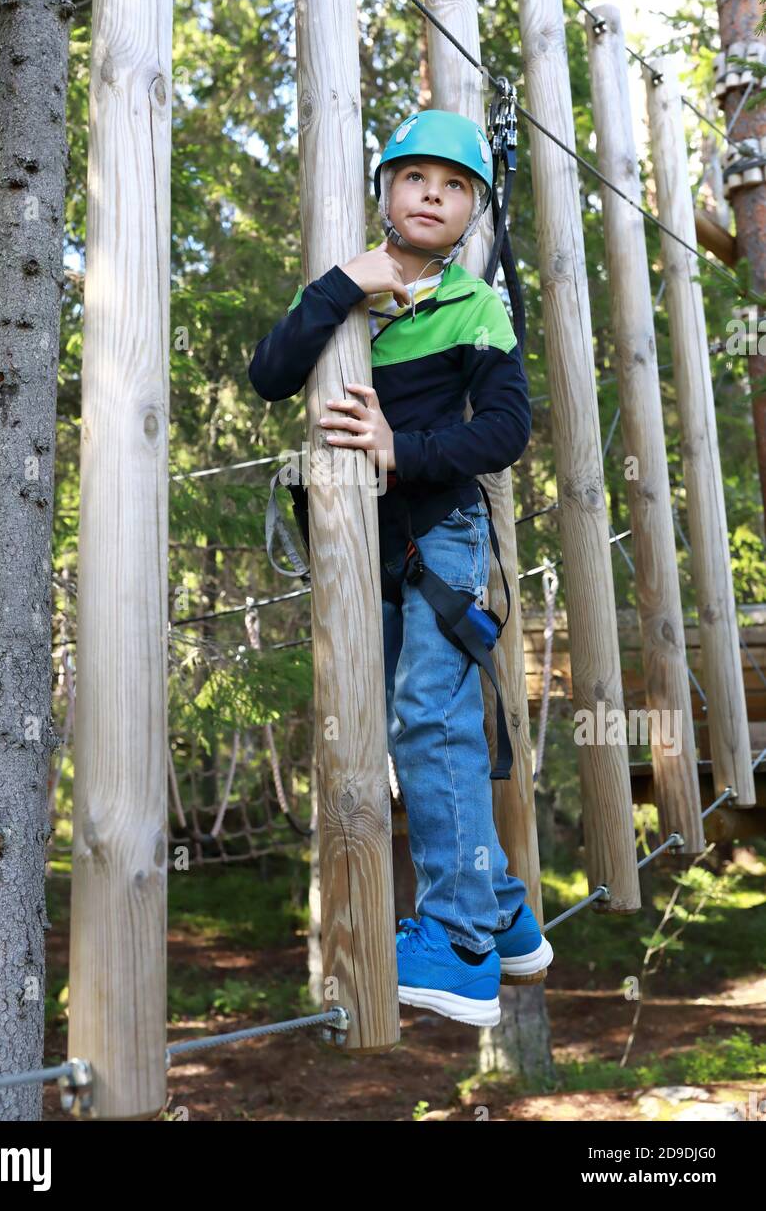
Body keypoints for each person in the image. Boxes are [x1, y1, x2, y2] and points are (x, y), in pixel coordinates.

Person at [248, 109, 553, 1027]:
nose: (433, 194)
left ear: (473, 215)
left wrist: (399, 446)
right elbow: (268, 375)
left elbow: (507, 429)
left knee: (433, 716)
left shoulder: (476, 307)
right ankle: (503, 917)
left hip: (442, 537)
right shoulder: (350, 293)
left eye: (455, 186)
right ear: (385, 191)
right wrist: (343, 284)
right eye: (415, 177)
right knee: (399, 723)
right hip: (358, 544)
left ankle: (458, 946)